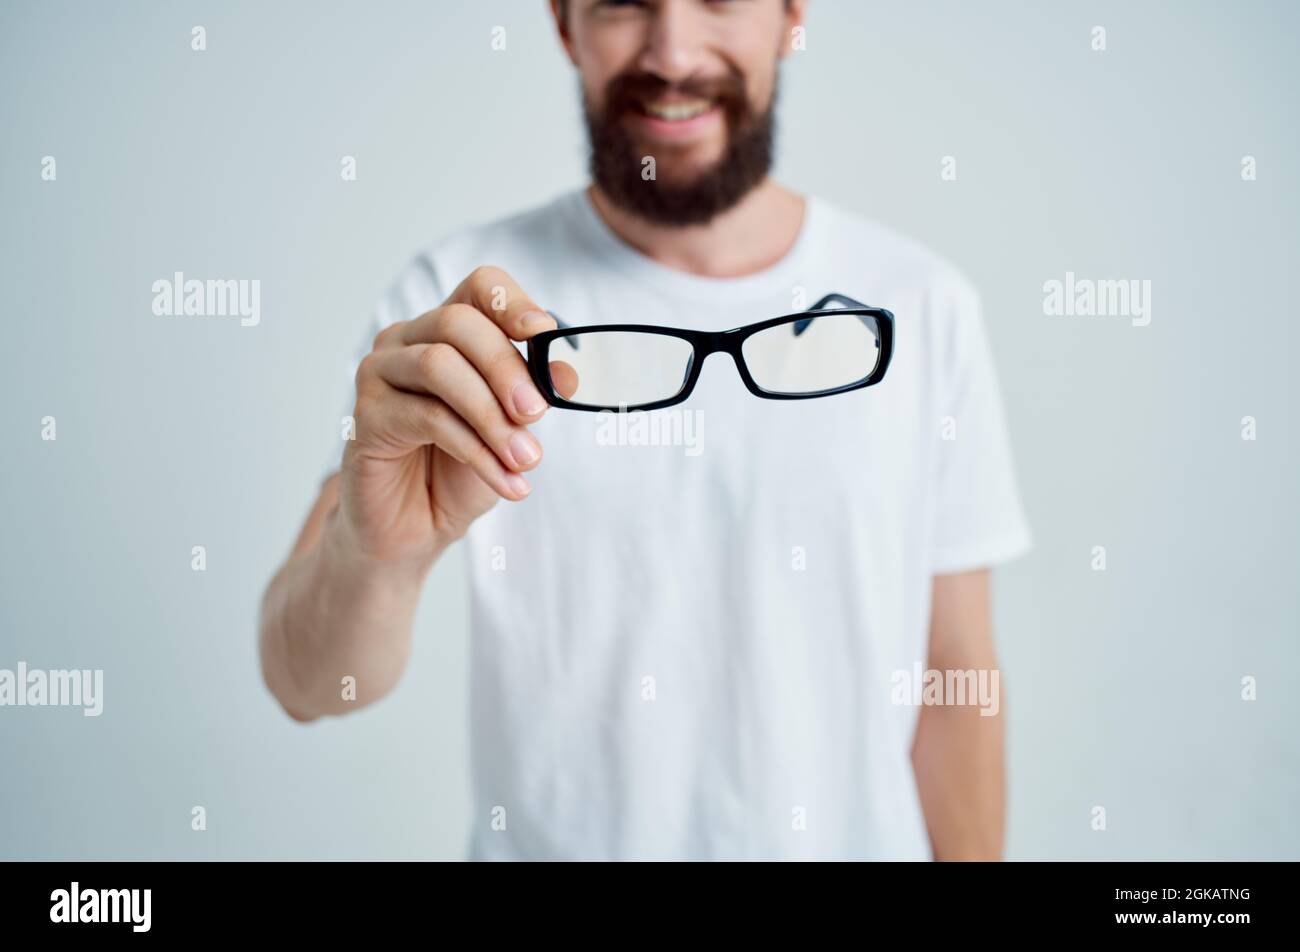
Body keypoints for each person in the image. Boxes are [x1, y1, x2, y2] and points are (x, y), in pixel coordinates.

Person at [259, 0, 1032, 860]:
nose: (672, 52)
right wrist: (379, 558)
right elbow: (308, 683)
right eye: (624, 2)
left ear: (791, 16)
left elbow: (957, 684)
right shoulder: (458, 308)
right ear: (563, 24)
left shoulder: (924, 306)